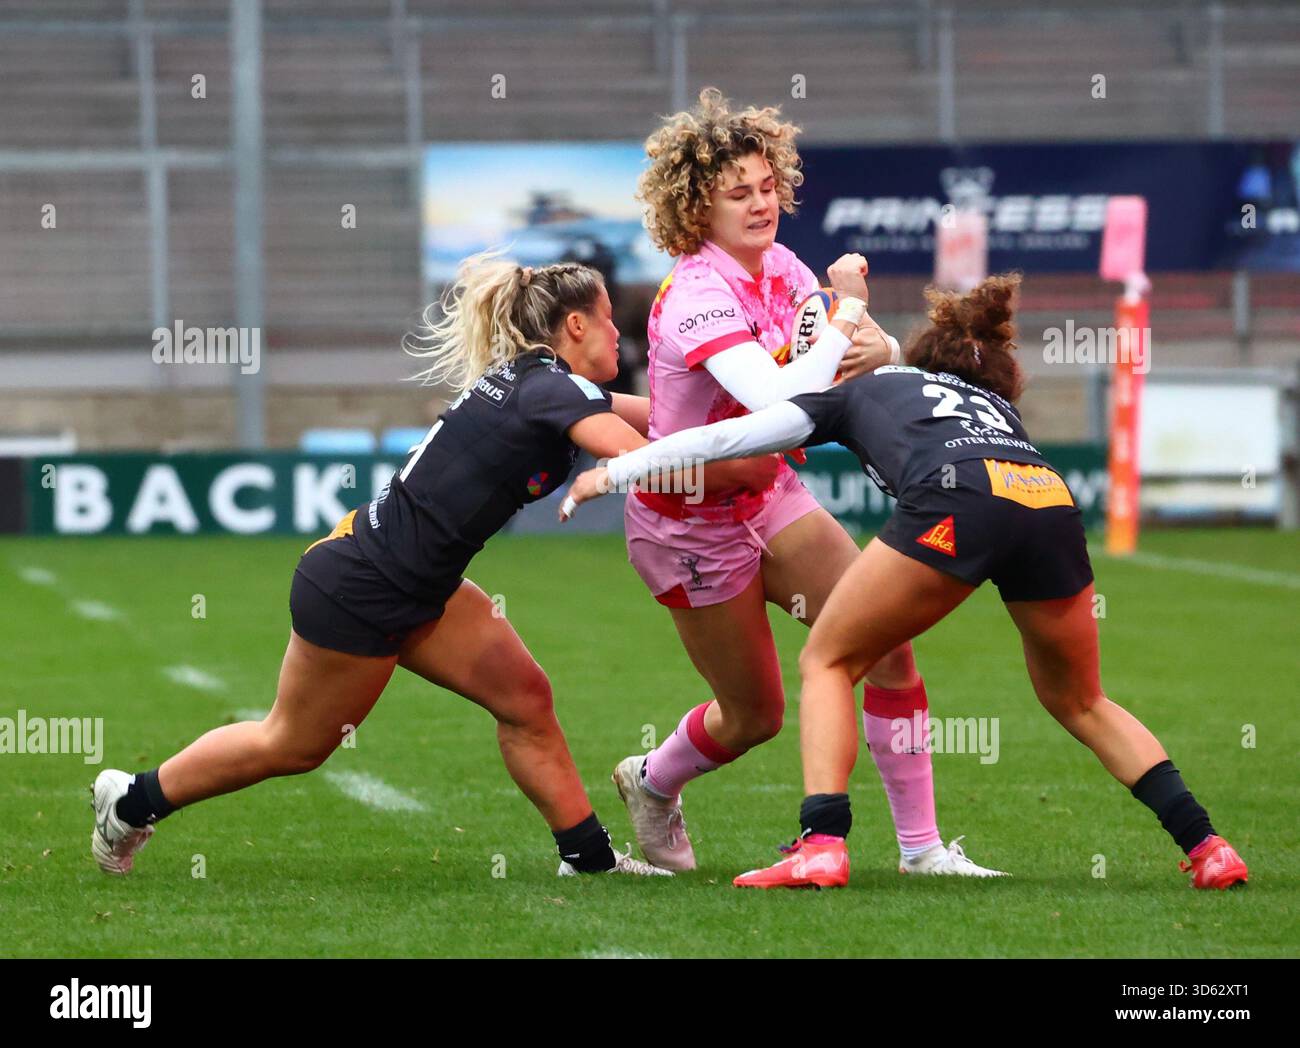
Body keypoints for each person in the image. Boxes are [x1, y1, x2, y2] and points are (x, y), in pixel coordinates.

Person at [563, 273, 1249, 892]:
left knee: (829, 659)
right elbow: (904, 364)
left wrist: (617, 471)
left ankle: (822, 845)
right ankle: (1208, 846)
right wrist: (872, 335)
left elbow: (728, 439)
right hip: (1046, 498)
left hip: (960, 500)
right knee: (1082, 700)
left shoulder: (849, 390)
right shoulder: (982, 397)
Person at [91, 254, 672, 880]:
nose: (620, 334)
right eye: (609, 319)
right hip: (365, 587)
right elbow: (651, 458)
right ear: (576, 326)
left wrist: (743, 414)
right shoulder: (552, 389)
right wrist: (732, 458)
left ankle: (587, 861)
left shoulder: (543, 381)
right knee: (292, 744)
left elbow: (664, 415)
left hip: (415, 582)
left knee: (526, 700)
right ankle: (130, 801)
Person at [609, 86, 1003, 877]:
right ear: (697, 206)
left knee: (887, 647)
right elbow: (783, 399)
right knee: (754, 716)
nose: (761, 205)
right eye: (738, 193)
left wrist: (878, 342)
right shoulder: (696, 295)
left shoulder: (783, 267)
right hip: (687, 526)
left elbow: (863, 358)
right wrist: (849, 310)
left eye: (768, 186)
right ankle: (651, 780)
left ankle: (923, 851)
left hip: (770, 497)